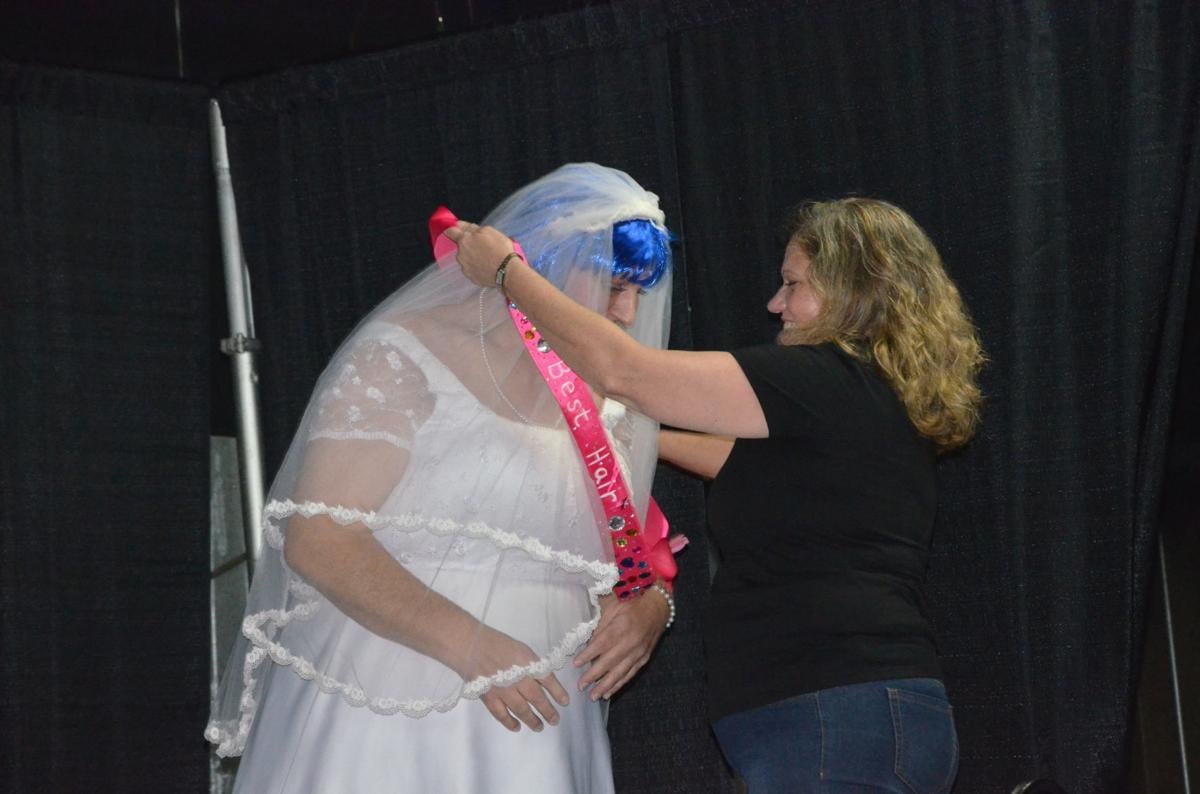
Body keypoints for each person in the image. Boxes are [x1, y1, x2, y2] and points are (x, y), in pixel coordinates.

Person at [451, 197, 984, 793]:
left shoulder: (821, 376)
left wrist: (506, 271)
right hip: (874, 712)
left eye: (792, 284)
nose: (774, 304)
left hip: (829, 714)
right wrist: (608, 436)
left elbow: (628, 374)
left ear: (852, 288)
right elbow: (736, 460)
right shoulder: (872, 399)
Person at [206, 163, 678, 793]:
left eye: (638, 293)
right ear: (549, 267)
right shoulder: (405, 354)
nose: (626, 313)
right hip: (401, 692)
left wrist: (650, 606)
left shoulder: (605, 407)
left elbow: (615, 557)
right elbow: (319, 539)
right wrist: (474, 647)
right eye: (615, 286)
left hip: (543, 718)